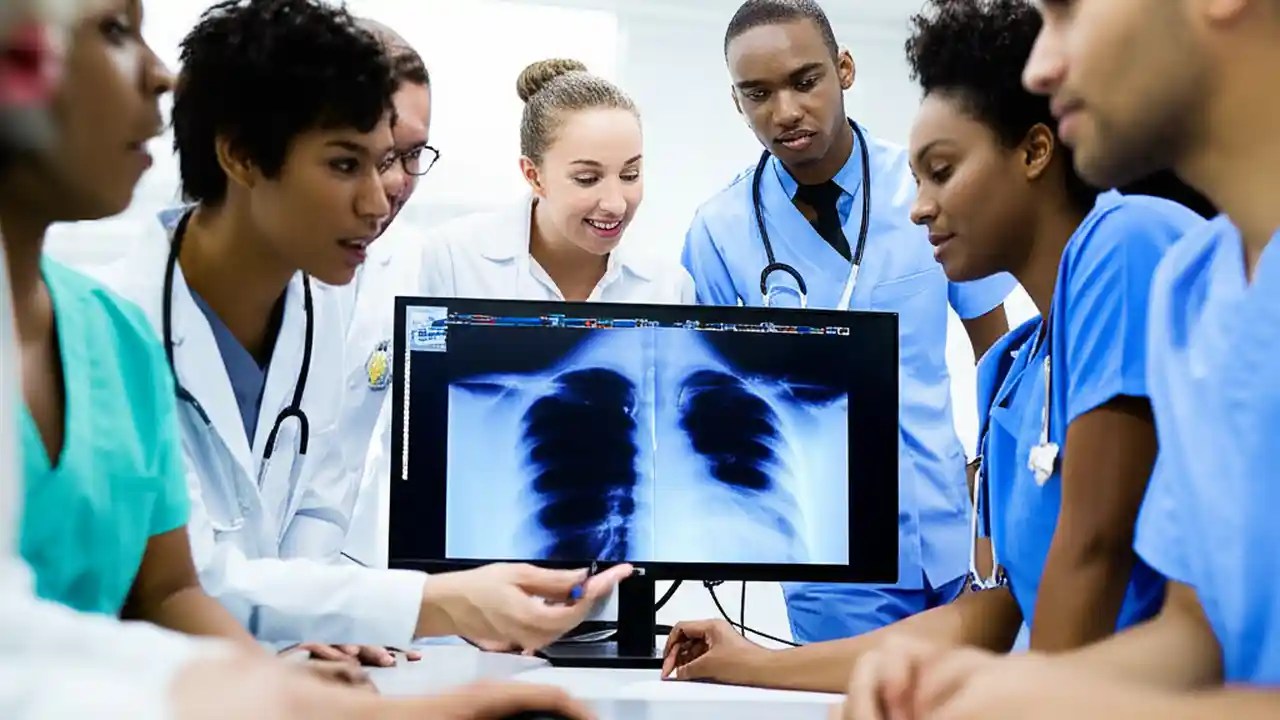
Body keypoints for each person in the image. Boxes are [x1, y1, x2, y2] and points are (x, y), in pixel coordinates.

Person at [0, 2, 596, 718]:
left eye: (396, 161)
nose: (384, 198)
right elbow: (40, 641)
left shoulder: (113, 335)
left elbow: (177, 587)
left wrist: (294, 670)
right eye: (349, 163)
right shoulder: (137, 319)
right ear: (241, 155)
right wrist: (420, 613)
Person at [663, 0, 1205, 693]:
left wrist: (1011, 702)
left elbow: (1091, 552)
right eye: (758, 93)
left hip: (981, 564)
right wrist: (751, 662)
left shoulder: (1123, 244)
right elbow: (985, 619)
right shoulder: (1010, 379)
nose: (917, 207)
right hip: (830, 539)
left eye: (941, 172)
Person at [843, 0, 1280, 717]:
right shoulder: (1195, 283)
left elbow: (1096, 547)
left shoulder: (1132, 243)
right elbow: (1193, 636)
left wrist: (1028, 701)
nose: (1043, 67)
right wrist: (990, 689)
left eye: (1068, 12)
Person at [679, 0, 1014, 646]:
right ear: (737, 102)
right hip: (826, 556)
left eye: (805, 81)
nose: (785, 111)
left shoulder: (926, 184)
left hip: (950, 536)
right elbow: (713, 398)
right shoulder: (719, 233)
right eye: (758, 94)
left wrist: (992, 511)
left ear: (845, 70)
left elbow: (995, 354)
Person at [416, 58, 693, 304]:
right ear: (534, 176)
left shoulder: (668, 288)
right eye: (588, 178)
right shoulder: (452, 261)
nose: (616, 204)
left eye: (630, 175)